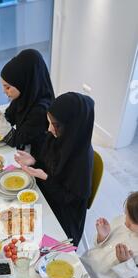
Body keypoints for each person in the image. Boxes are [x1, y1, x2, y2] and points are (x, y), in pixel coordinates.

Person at [15, 92, 94, 246]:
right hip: (47, 194)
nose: (50, 129)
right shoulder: (60, 137)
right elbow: (50, 167)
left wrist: (45, 178)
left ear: (72, 126)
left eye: (55, 124)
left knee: (25, 240)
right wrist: (34, 161)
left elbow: (67, 199)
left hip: (64, 216)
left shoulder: (81, 160)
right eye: (49, 122)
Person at [0, 49, 54, 157]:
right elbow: (9, 118)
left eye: (7, 87)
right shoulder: (24, 95)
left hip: (36, 159)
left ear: (23, 82)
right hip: (22, 152)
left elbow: (16, 140)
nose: (4, 91)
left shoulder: (41, 109)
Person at [81, 192, 138, 278]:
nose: (126, 222)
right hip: (84, 267)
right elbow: (99, 246)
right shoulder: (123, 220)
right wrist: (103, 236)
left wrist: (126, 263)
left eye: (132, 222)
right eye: (126, 214)